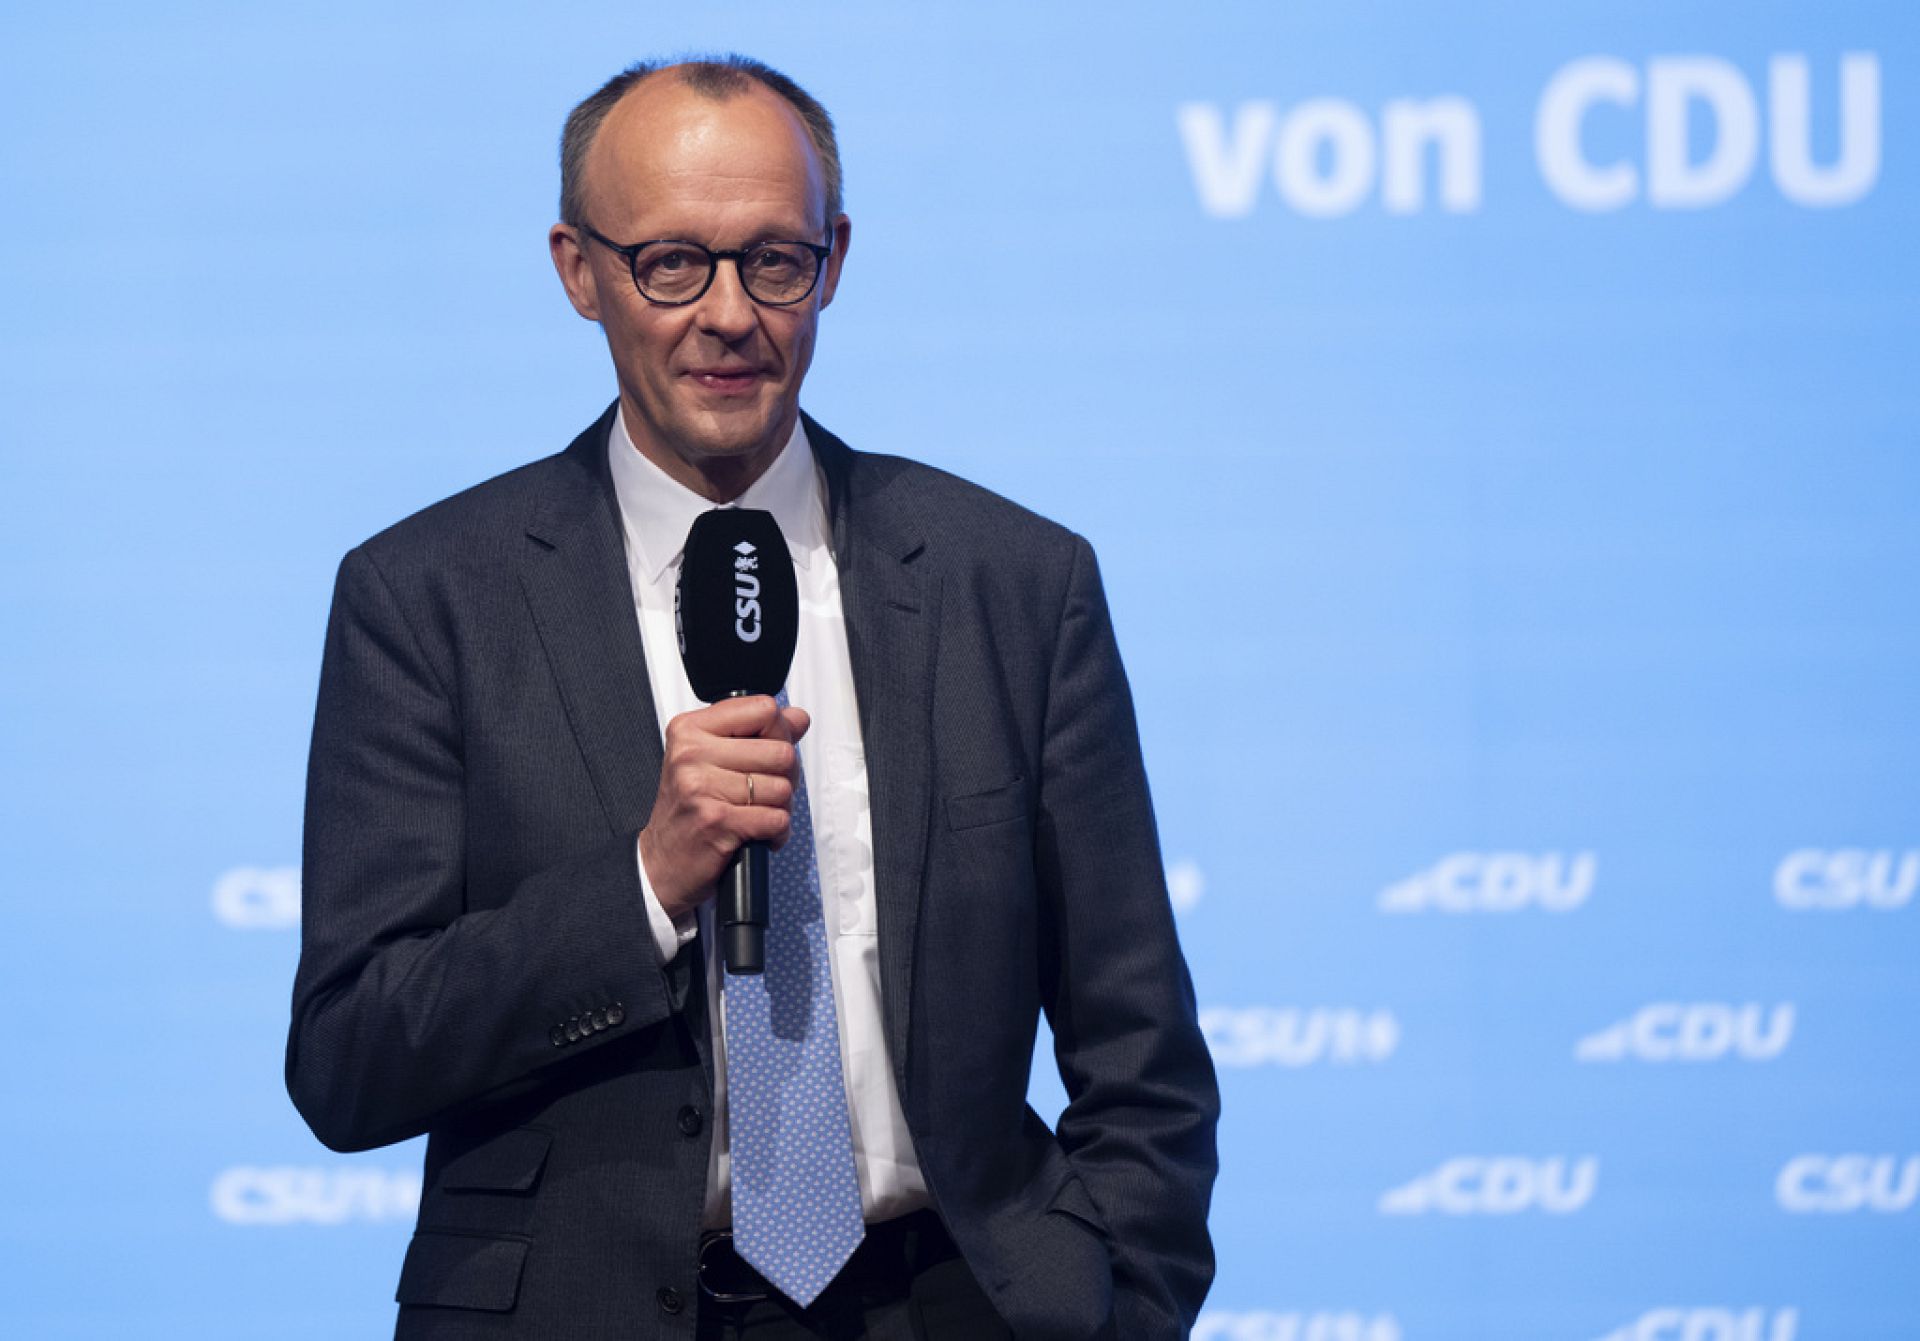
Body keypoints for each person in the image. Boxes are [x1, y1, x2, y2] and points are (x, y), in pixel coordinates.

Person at [287, 54, 1218, 1341]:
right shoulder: (428, 596)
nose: (729, 315)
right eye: (672, 263)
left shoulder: (1012, 581)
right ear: (579, 270)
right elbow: (349, 1059)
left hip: (941, 1305)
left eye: (774, 261)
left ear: (833, 261)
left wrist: (1116, 1305)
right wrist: (646, 886)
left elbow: (1142, 1047)